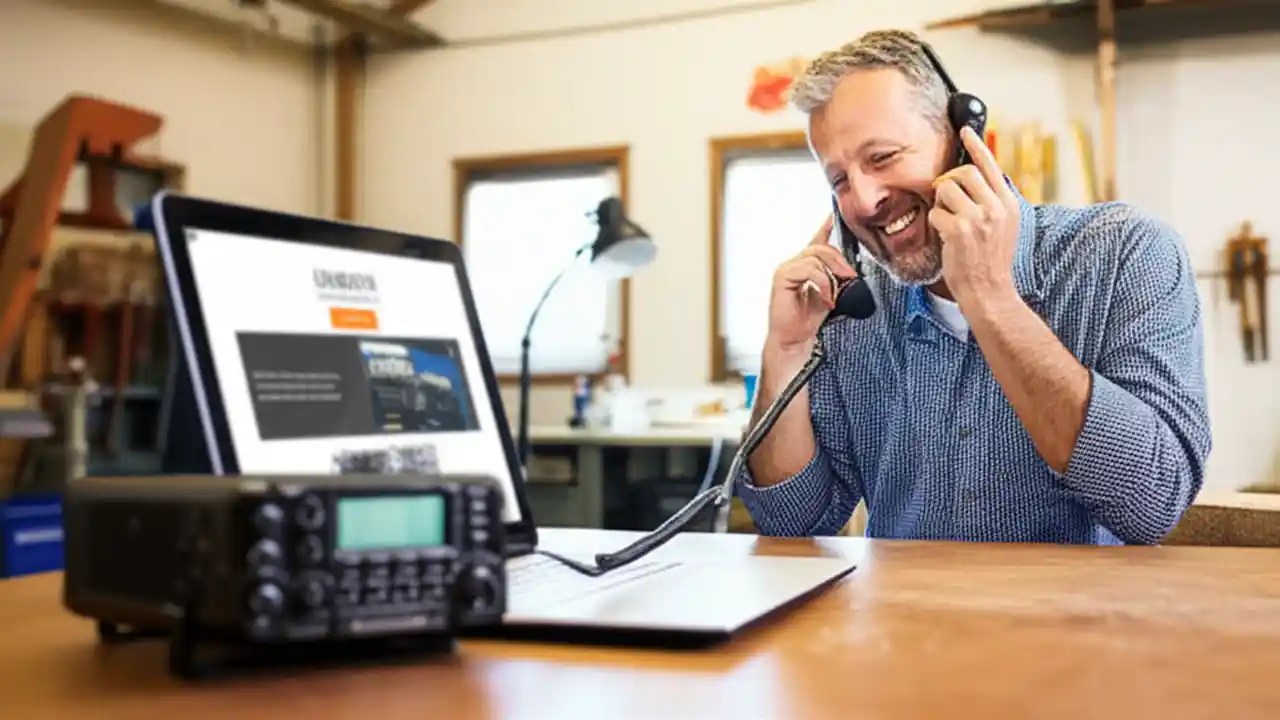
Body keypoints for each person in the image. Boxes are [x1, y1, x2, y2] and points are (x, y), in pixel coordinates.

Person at [734, 29, 1211, 545]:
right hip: (906, 623)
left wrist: (990, 297)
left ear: (965, 139)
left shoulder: (1126, 254)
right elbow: (792, 522)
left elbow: (1153, 503)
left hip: (1079, 623)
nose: (865, 200)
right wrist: (785, 352)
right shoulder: (854, 308)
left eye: (882, 157)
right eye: (840, 181)